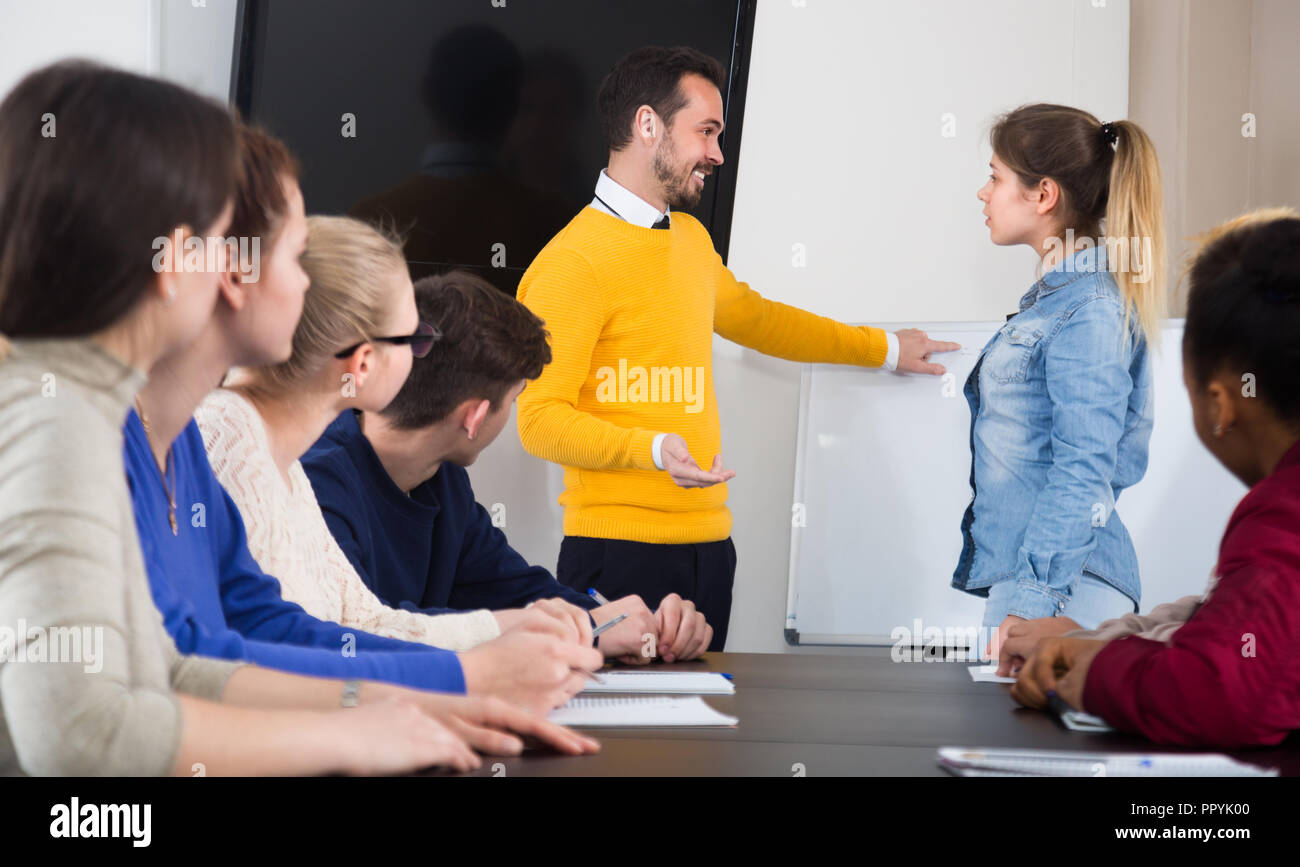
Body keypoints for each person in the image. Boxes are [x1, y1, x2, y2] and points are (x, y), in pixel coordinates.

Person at [0, 61, 594, 776]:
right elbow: (82, 738)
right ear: (171, 261)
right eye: (226, 236)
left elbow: (181, 661)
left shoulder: (109, 415)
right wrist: (363, 733)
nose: (238, 268)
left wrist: (413, 704)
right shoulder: (56, 417)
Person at [128, 122, 600, 713]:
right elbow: (230, 660)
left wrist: (493, 646)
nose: (303, 287)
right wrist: (463, 678)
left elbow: (322, 622)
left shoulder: (256, 456)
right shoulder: (223, 432)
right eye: (416, 337)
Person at [514, 45, 958, 650]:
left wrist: (881, 348)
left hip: (709, 554)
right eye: (706, 131)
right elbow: (538, 421)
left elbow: (761, 320)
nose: (717, 153)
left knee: (703, 739)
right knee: (621, 744)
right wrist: (653, 448)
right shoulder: (570, 263)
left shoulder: (691, 240)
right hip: (618, 559)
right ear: (648, 126)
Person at [198, 215, 591, 651]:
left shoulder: (285, 464)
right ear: (363, 362)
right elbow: (295, 646)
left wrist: (557, 624)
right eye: (413, 338)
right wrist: (490, 650)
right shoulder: (237, 439)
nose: (425, 354)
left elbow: (360, 620)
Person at [304, 270, 713, 664]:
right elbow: (360, 633)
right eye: (515, 399)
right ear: (475, 417)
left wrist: (638, 624)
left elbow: (518, 592)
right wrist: (582, 629)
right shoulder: (314, 483)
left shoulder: (442, 482)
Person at [1010, 210, 1300, 747]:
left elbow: (1223, 690)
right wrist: (1106, 642)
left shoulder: (1283, 513)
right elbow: (1232, 622)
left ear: (1220, 403)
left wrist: (1096, 670)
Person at [953, 104, 1167, 654]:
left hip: (1062, 593)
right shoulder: (1060, 305)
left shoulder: (1088, 309)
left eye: (996, 177)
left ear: (1043, 195)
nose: (983, 193)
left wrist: (1034, 602)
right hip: (1043, 584)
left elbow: (1088, 466)